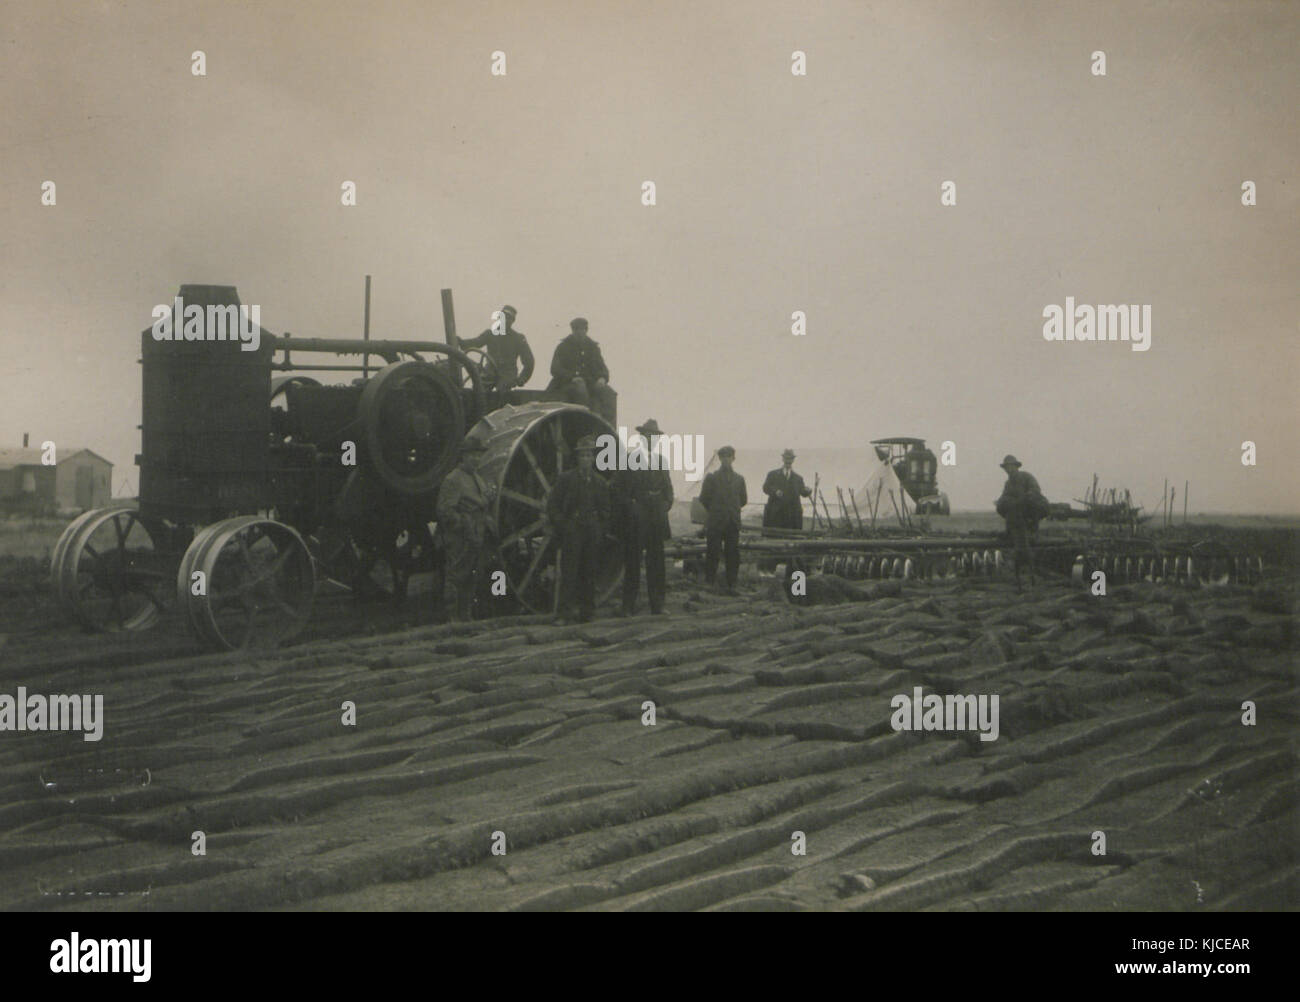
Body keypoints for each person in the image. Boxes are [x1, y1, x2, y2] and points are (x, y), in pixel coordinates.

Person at [546, 434, 611, 623]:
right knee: (569, 572)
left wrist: (599, 528)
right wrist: (564, 525)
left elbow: (606, 510)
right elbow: (553, 506)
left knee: (589, 572)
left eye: (589, 456)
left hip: (591, 531)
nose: (585, 459)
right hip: (572, 531)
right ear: (577, 458)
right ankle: (564, 614)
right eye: (582, 456)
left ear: (593, 458)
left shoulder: (599, 482)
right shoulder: (566, 479)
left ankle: (587, 612)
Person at [612, 419, 674, 616]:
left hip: (656, 517)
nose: (651, 440)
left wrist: (664, 505)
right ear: (641, 438)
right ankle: (628, 606)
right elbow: (617, 490)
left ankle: (658, 605)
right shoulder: (629, 459)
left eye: (654, 437)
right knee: (632, 562)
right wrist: (632, 506)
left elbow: (669, 491)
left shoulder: (661, 461)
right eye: (647, 436)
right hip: (636, 518)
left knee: (657, 563)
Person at [435, 437, 493, 621]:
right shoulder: (453, 479)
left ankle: (466, 617)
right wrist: (463, 524)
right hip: (460, 537)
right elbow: (444, 510)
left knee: (471, 576)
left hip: (476, 534)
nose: (476, 459)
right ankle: (453, 618)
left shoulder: (477, 478)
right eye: (472, 455)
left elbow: (483, 504)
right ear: (463, 456)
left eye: (478, 455)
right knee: (456, 575)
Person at [995, 454, 1049, 591]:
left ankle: (1032, 530)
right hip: (1018, 514)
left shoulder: (1027, 477)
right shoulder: (1008, 484)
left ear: (1016, 467)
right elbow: (1004, 498)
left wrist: (1022, 500)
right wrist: (1003, 503)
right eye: (1007, 467)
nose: (1009, 469)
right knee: (1004, 506)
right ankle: (1014, 532)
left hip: (1035, 509)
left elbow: (1035, 491)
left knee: (1022, 506)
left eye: (1011, 466)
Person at [548, 318, 617, 423]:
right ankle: (583, 423)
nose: (579, 332)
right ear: (572, 331)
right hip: (566, 384)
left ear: (586, 330)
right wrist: (572, 377)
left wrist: (602, 378)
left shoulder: (593, 348)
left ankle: (607, 425)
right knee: (580, 389)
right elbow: (555, 369)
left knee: (609, 393)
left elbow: (602, 367)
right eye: (576, 330)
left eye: (582, 329)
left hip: (590, 382)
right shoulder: (563, 347)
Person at [699, 445, 747, 594]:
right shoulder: (712, 478)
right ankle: (709, 582)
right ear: (719, 459)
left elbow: (743, 500)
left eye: (729, 456)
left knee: (732, 553)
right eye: (723, 457)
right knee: (713, 551)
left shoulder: (739, 479)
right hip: (716, 522)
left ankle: (732, 584)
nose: (726, 459)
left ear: (733, 458)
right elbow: (704, 498)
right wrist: (716, 511)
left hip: (732, 522)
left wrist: (732, 510)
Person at [456, 304, 535, 392]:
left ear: (512, 321)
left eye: (508, 318)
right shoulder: (490, 334)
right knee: (478, 389)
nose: (504, 320)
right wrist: (461, 342)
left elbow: (529, 362)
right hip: (490, 371)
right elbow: (475, 343)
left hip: (507, 374)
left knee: (502, 392)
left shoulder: (518, 338)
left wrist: (521, 379)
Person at [762, 448, 812, 531]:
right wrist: (775, 491)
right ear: (783, 459)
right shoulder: (772, 474)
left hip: (792, 516)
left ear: (793, 460)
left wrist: (808, 491)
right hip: (775, 515)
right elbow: (765, 488)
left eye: (790, 459)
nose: (788, 461)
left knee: (792, 540)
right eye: (786, 458)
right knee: (773, 539)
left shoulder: (798, 478)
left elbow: (803, 492)